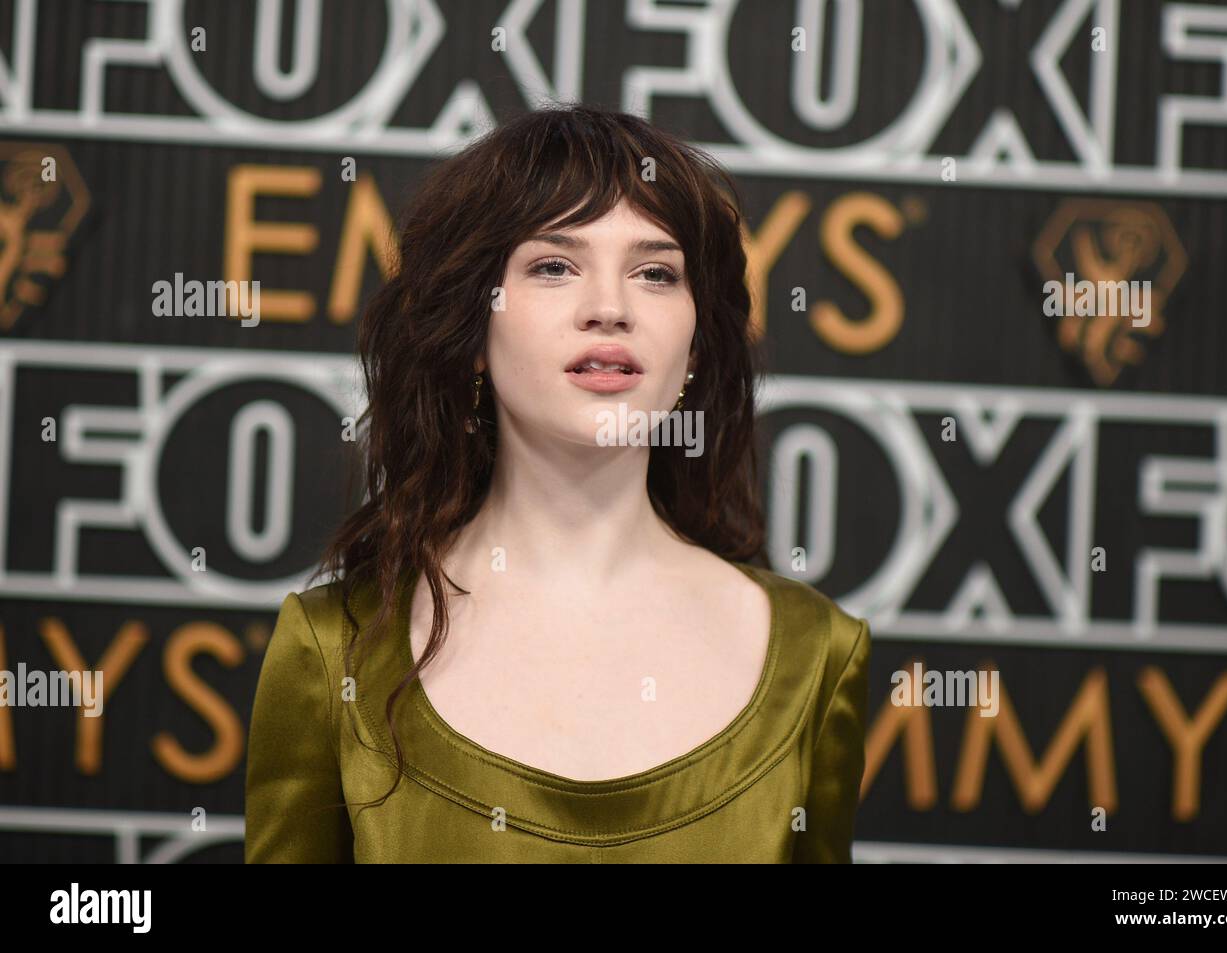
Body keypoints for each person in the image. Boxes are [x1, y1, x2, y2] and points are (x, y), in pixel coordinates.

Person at [244, 103, 871, 863]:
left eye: (655, 272)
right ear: (473, 328)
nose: (609, 308)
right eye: (553, 265)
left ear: (698, 339)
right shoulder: (330, 651)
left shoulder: (816, 654)